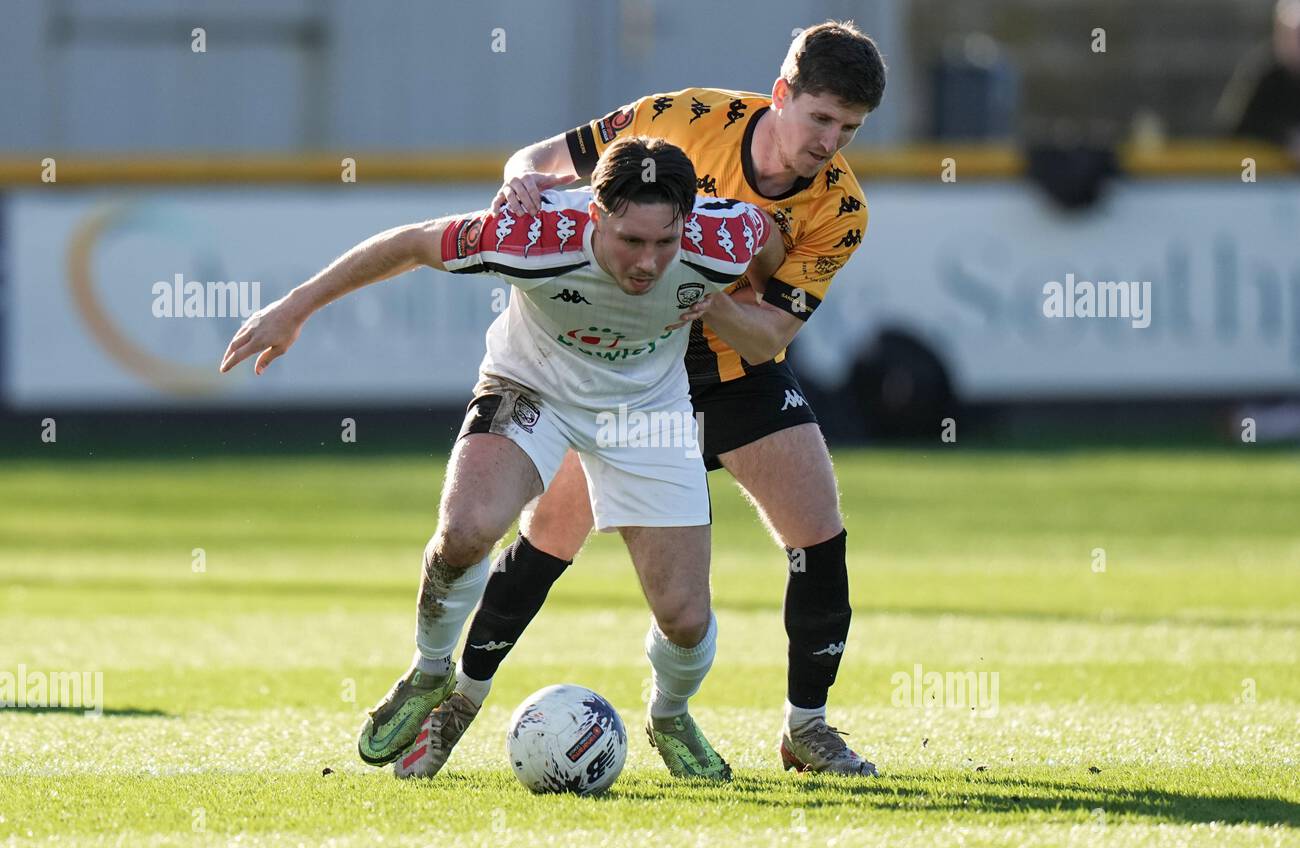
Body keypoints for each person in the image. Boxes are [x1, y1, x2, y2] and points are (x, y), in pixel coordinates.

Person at [218, 137, 783, 781]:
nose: (649, 263)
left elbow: (769, 240)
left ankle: (671, 713)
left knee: (685, 619)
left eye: (665, 242)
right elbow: (411, 243)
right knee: (464, 533)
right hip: (531, 386)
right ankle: (430, 671)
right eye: (630, 240)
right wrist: (295, 308)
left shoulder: (722, 237)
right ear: (594, 215)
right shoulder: (534, 235)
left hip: (647, 413)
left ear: (687, 221)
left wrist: (756, 296)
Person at [453, 20, 887, 776]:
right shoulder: (684, 119)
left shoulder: (841, 210)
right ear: (782, 94)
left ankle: (807, 729)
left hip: (734, 372)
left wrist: (709, 302)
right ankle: (458, 699)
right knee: (549, 536)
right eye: (820, 118)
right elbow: (540, 158)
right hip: (627, 367)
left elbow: (766, 339)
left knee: (819, 531)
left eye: (849, 129)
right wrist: (521, 177)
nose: (830, 142)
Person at [1215, 0, 1300, 159]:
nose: (1294, 43)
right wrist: (1285, 139)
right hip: (1264, 176)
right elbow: (1236, 128)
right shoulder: (1263, 75)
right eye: (1289, 35)